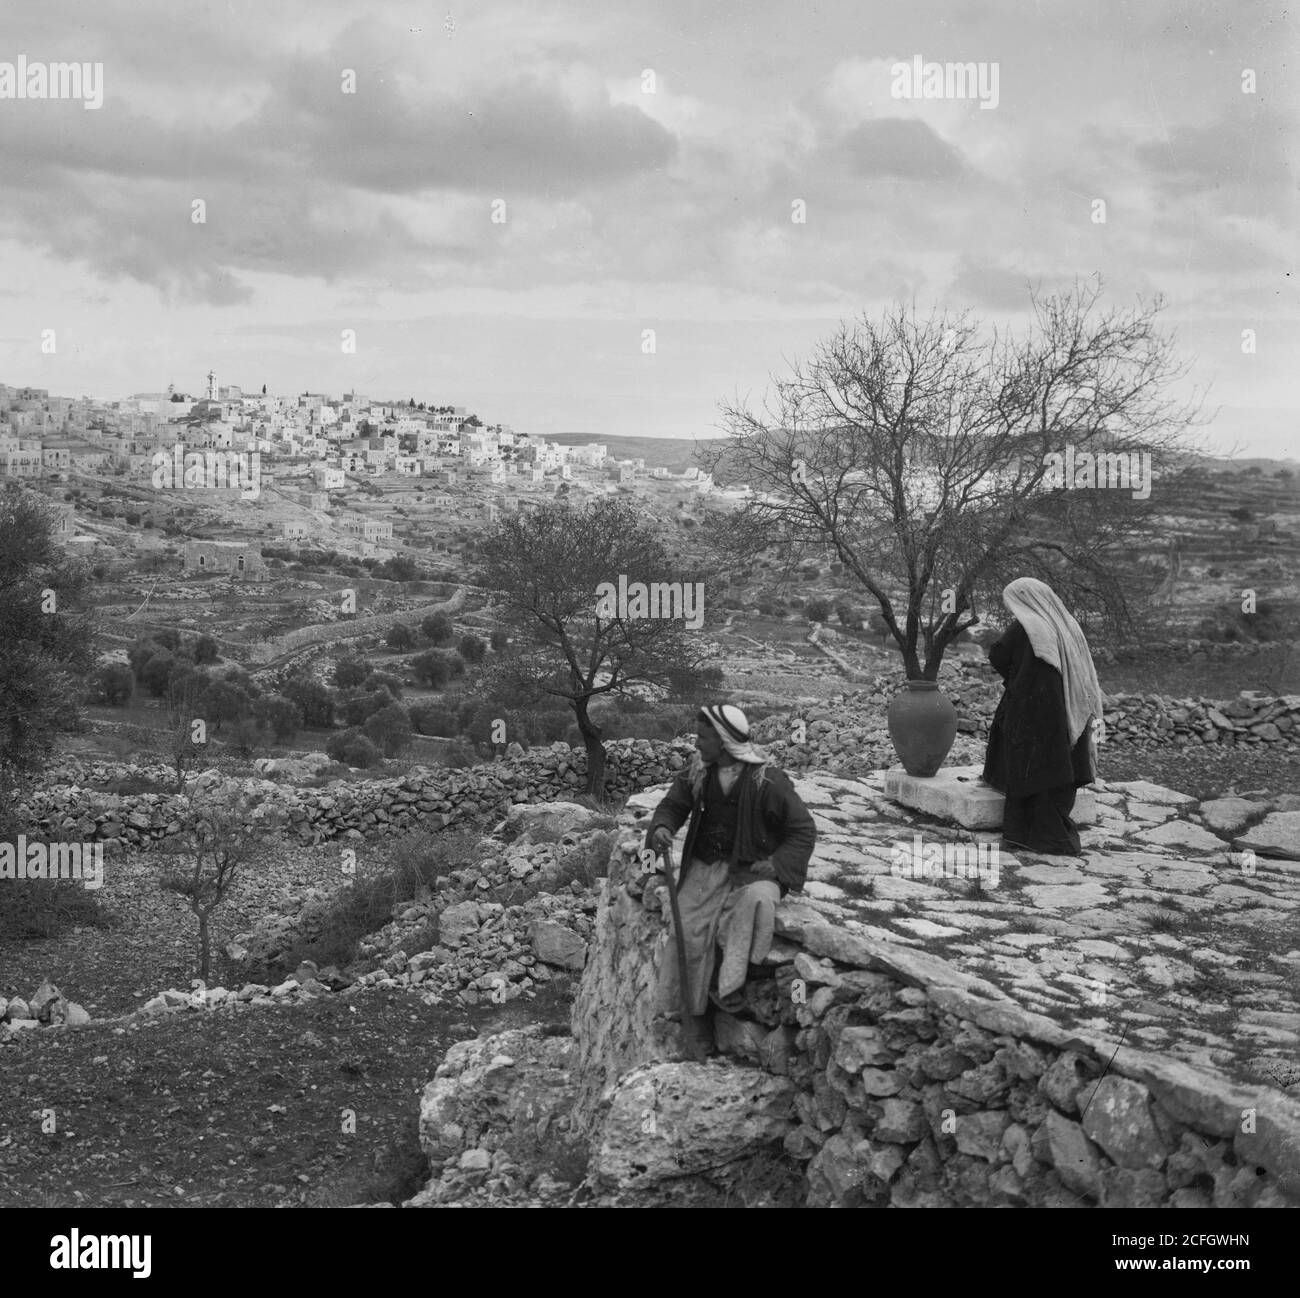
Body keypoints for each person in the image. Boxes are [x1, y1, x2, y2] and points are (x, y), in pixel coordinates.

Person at [645, 704, 816, 1059]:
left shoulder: (767, 781)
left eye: (704, 737)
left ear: (723, 743)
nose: (697, 743)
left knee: (753, 905)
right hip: (707, 869)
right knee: (687, 932)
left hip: (750, 873)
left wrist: (778, 863)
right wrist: (662, 827)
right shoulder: (699, 773)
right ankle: (694, 1018)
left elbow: (801, 829)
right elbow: (673, 806)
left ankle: (729, 987)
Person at [982, 577, 1104, 856]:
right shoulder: (1067, 623)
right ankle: (1054, 836)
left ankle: (1025, 836)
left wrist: (1014, 677)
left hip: (1032, 711)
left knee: (1029, 769)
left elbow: (999, 654)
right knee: (1059, 768)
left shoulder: (1029, 625)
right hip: (1070, 708)